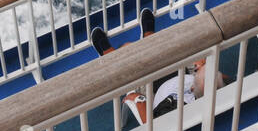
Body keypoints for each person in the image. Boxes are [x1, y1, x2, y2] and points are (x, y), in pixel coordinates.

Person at [90, 9, 225, 124]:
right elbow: (222, 80)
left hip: (151, 90)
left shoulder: (174, 114)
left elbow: (150, 123)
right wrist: (203, 67)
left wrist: (136, 98)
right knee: (175, 50)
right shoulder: (214, 93)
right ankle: (149, 39)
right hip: (182, 73)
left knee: (130, 54)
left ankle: (110, 56)